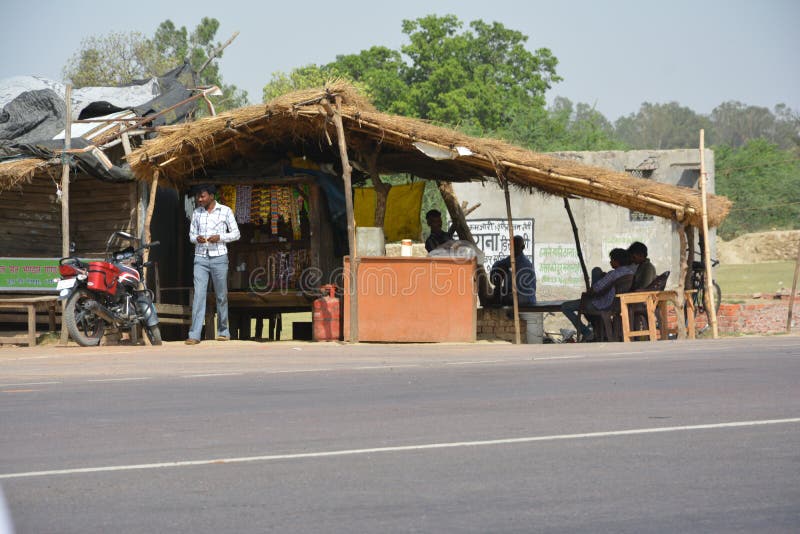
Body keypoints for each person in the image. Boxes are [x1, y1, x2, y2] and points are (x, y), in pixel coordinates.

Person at [186, 184, 241, 345]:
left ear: (211, 196)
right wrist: (197, 239)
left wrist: (220, 237)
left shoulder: (225, 211)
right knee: (199, 295)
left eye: (202, 196)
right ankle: (194, 334)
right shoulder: (196, 213)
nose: (199, 199)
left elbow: (236, 234)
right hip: (200, 258)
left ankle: (223, 331)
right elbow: (191, 235)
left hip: (219, 258)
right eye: (198, 197)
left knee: (221, 295)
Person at [561, 248, 635, 341]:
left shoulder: (613, 274)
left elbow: (596, 289)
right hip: (618, 304)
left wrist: (590, 292)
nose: (610, 262)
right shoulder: (630, 273)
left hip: (603, 304)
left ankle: (587, 332)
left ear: (617, 261)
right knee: (597, 271)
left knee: (565, 306)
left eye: (611, 260)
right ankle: (598, 331)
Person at [489, 235, 537, 306]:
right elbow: (499, 263)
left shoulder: (524, 264)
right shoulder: (512, 259)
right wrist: (493, 271)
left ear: (522, 247)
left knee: (500, 298)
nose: (513, 248)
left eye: (516, 246)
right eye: (511, 246)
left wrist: (500, 289)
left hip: (526, 297)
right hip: (517, 295)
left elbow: (514, 288)